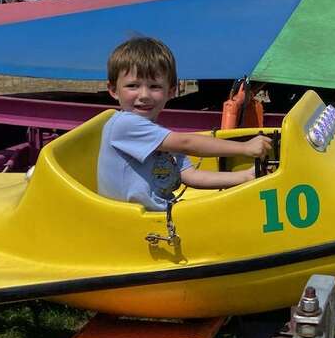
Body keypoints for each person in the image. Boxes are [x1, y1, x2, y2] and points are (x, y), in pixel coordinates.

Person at [99, 37, 273, 210]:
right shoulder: (124, 125)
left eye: (154, 87)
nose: (144, 95)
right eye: (133, 86)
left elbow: (191, 175)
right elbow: (187, 143)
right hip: (133, 226)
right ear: (114, 90)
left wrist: (245, 177)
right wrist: (244, 148)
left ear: (171, 91)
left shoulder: (159, 136)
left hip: (161, 217)